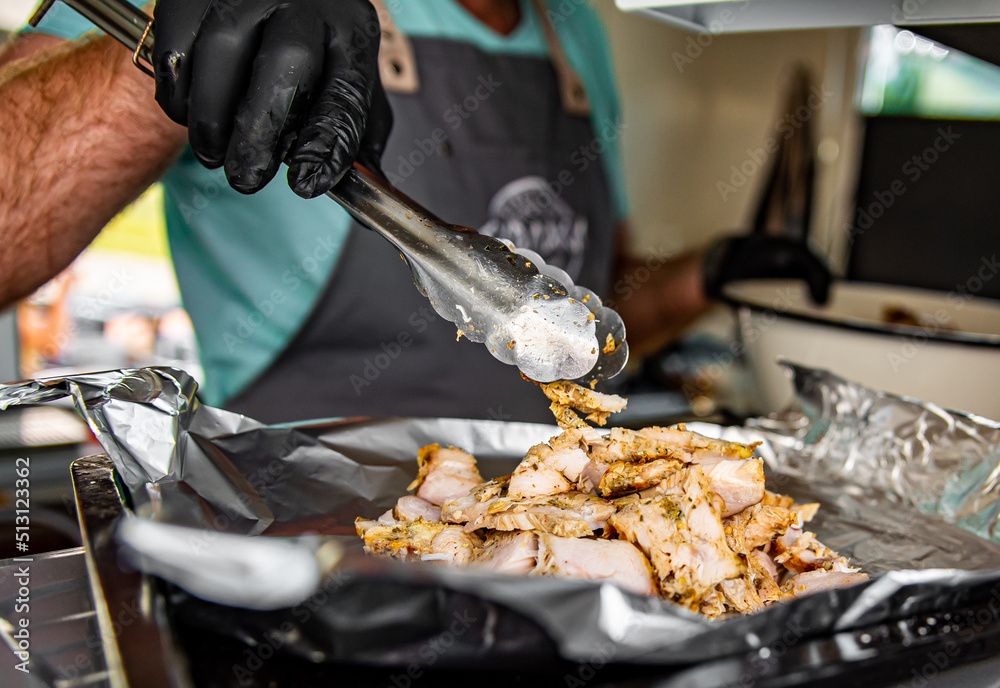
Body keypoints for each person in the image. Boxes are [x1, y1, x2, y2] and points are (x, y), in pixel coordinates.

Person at [0, 0, 829, 423]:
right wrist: (196, 41)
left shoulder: (570, 29)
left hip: (543, 551)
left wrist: (705, 278)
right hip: (305, 547)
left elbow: (570, 328)